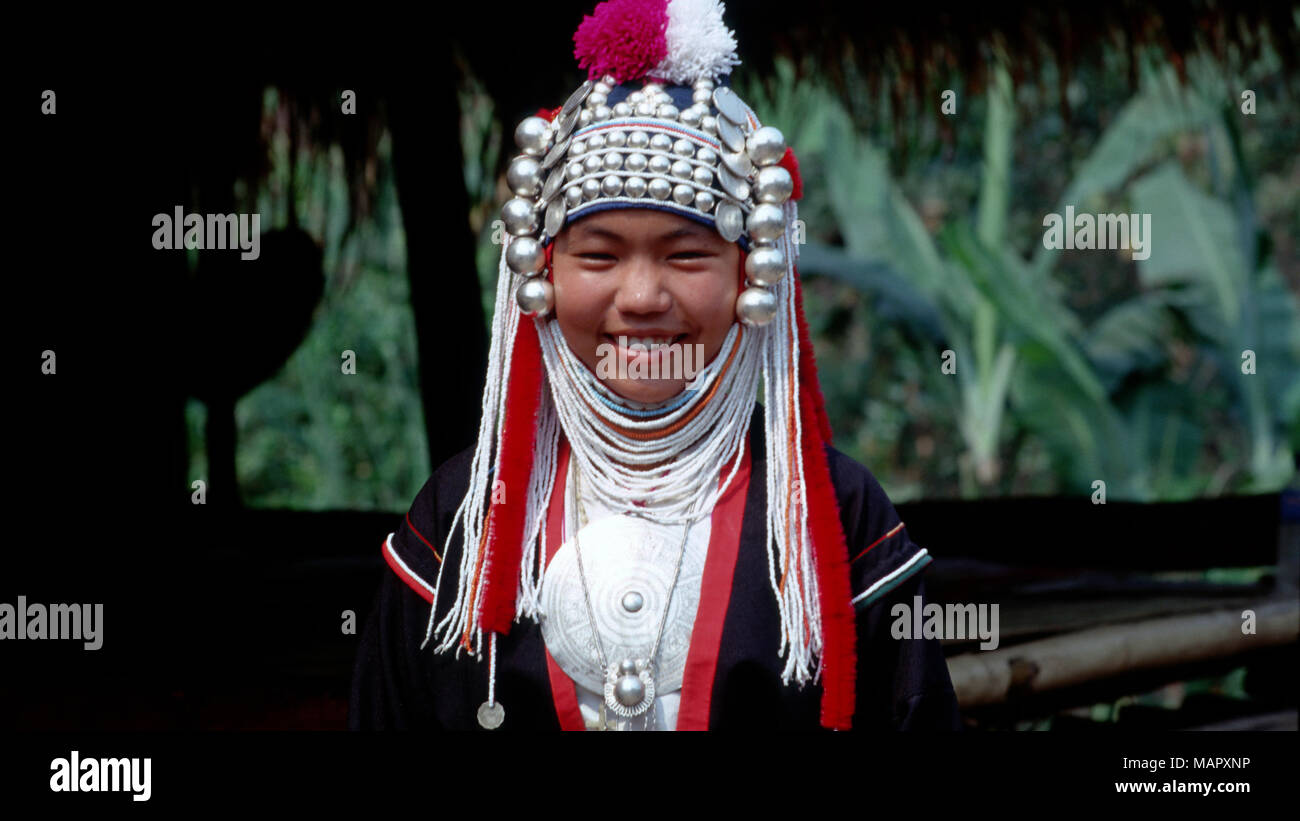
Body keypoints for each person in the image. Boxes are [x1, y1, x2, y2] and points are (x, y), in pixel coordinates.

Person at [350, 0, 961, 731]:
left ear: (752, 274)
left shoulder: (833, 512)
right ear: (539, 273)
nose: (641, 297)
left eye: (687, 255)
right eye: (600, 255)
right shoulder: (460, 521)